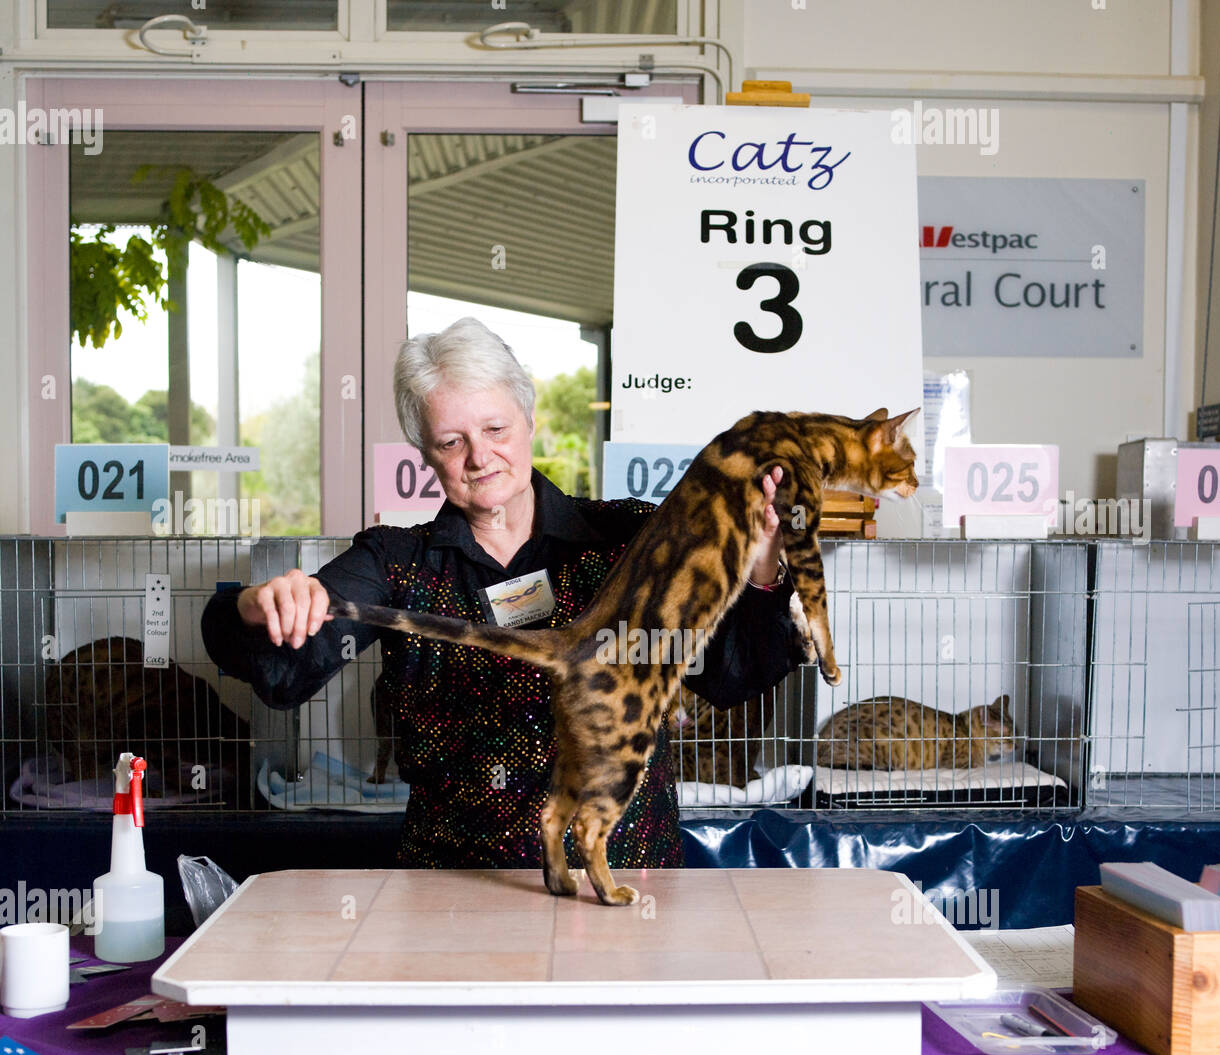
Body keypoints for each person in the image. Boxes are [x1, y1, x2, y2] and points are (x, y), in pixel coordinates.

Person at [202, 317, 804, 871]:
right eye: (451, 442)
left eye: (495, 428)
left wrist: (759, 572)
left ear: (530, 420)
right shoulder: (395, 561)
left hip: (628, 876)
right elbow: (285, 675)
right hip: (456, 886)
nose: (480, 457)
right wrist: (252, 607)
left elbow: (730, 675)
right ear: (425, 453)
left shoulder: (629, 537)